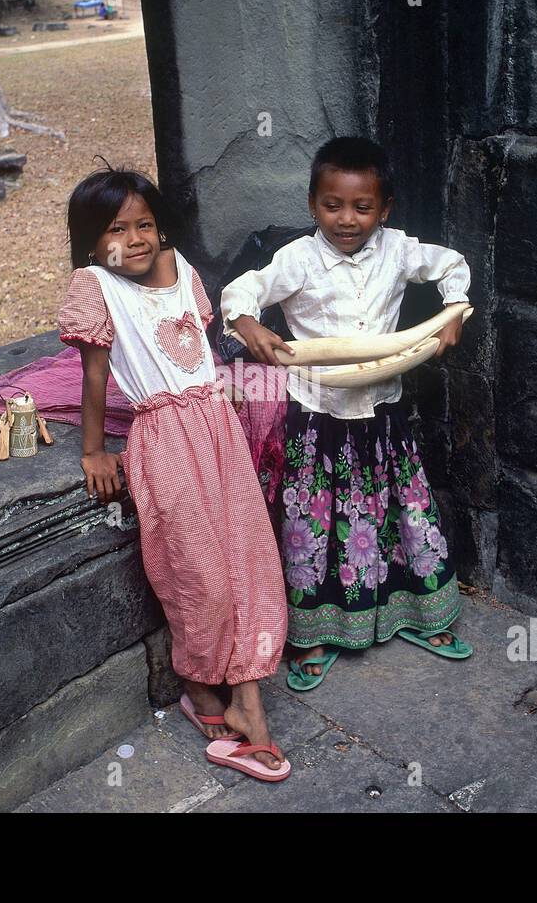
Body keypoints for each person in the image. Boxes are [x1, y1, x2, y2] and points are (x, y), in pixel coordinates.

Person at [57, 166, 291, 781]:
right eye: (115, 230)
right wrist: (93, 453)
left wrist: (222, 390)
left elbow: (193, 345)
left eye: (144, 225)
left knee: (247, 558)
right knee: (196, 573)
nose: (133, 240)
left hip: (217, 430)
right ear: (89, 242)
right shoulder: (95, 287)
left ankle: (240, 701)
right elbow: (95, 379)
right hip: (163, 441)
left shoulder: (182, 269)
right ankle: (210, 692)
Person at [220, 136, 474, 692]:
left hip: (382, 410)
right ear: (312, 204)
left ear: (384, 209)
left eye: (363, 208)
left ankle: (418, 615)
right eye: (333, 205)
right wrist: (249, 324)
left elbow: (452, 264)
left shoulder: (398, 250)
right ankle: (312, 633)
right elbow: (243, 290)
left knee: (397, 508)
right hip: (317, 415)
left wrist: (454, 310)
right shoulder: (297, 260)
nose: (347, 219)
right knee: (314, 520)